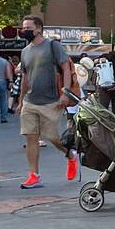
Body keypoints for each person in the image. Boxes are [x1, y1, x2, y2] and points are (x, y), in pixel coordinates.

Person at [15, 14, 78, 190]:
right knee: (31, 137)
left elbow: (65, 67)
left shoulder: (52, 46)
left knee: (53, 137)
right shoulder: (25, 51)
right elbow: (25, 77)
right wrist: (20, 101)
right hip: (30, 101)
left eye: (28, 28)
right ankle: (34, 176)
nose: (24, 31)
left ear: (39, 29)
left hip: (51, 101)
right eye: (23, 28)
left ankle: (70, 154)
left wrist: (65, 93)